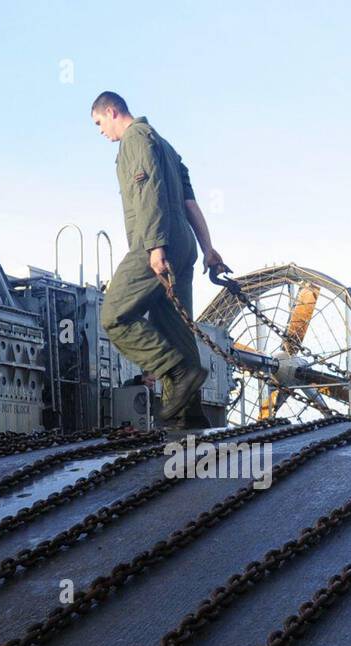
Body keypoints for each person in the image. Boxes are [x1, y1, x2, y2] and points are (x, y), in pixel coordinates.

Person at [91, 91, 222, 424]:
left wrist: (154, 247)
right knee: (175, 330)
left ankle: (177, 372)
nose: (101, 132)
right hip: (185, 244)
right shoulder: (168, 147)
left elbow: (147, 190)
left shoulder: (135, 138)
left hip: (156, 239)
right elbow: (191, 204)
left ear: (111, 111)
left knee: (114, 315)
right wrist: (209, 249)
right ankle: (189, 419)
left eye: (99, 123)